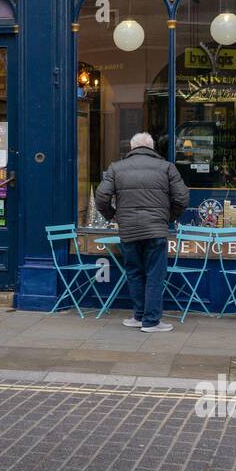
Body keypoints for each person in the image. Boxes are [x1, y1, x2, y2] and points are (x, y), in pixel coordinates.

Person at [95, 132, 189, 333]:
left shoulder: (116, 168)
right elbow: (182, 198)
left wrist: (113, 216)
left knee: (135, 273)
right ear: (152, 146)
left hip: (129, 230)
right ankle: (151, 321)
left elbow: (101, 197)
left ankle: (139, 316)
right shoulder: (166, 167)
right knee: (155, 275)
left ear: (132, 147)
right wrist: (167, 217)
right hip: (156, 230)